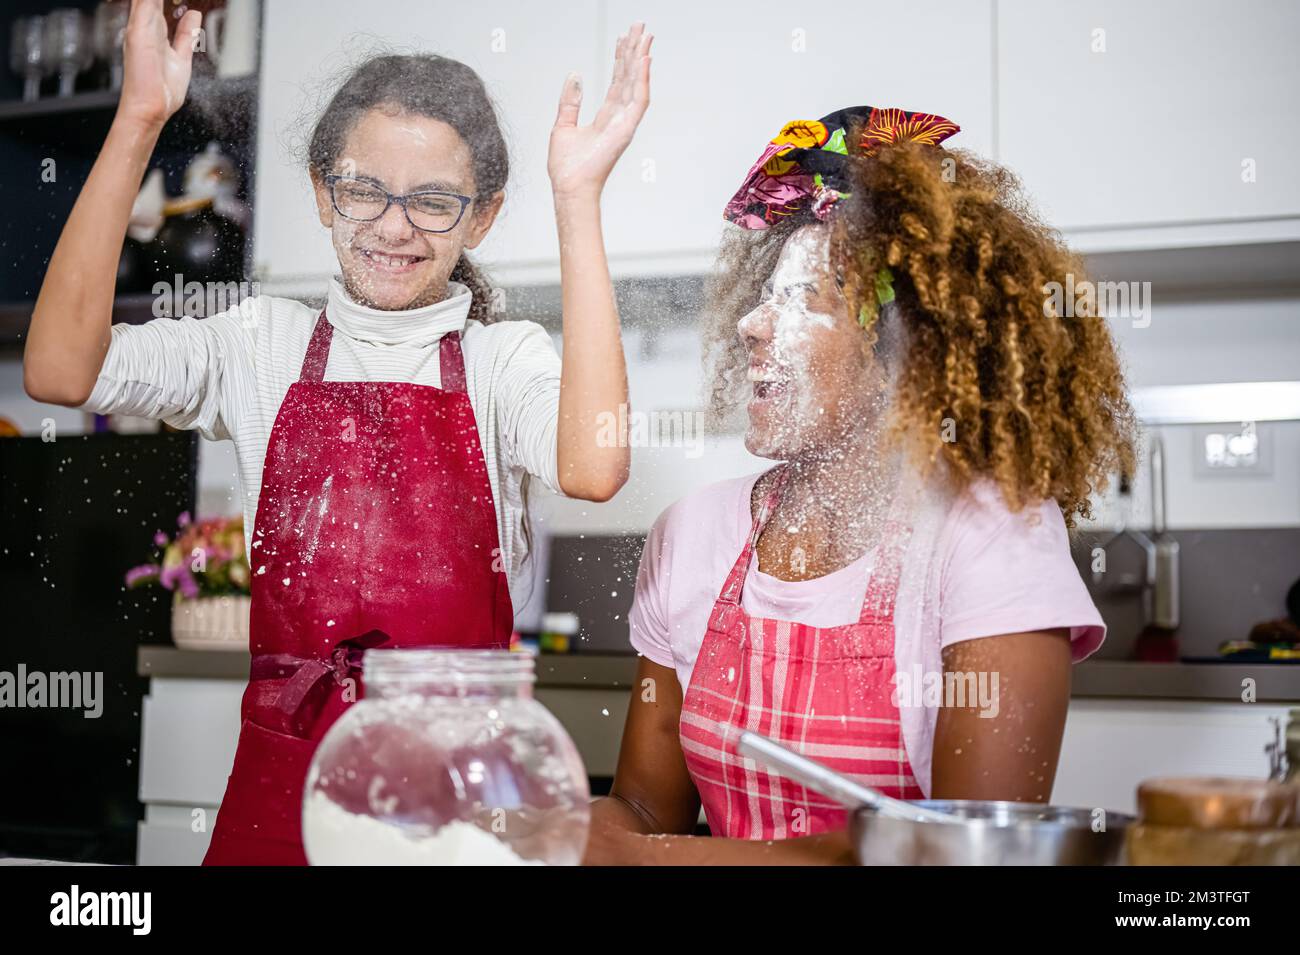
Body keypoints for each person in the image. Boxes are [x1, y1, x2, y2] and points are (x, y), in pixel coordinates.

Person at [23, 0, 653, 864]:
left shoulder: (503, 361)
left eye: (434, 201)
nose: (394, 226)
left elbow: (595, 464)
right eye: (363, 189)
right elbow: (60, 371)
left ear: (484, 216)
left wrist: (577, 200)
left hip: (451, 816)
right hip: (275, 805)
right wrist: (139, 118)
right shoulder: (260, 342)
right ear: (323, 192)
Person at [585, 105, 1135, 864]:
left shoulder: (992, 537)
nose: (751, 324)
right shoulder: (691, 534)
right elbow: (645, 805)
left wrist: (641, 860)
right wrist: (565, 830)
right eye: (764, 294)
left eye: (804, 300)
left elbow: (963, 854)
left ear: (908, 346)